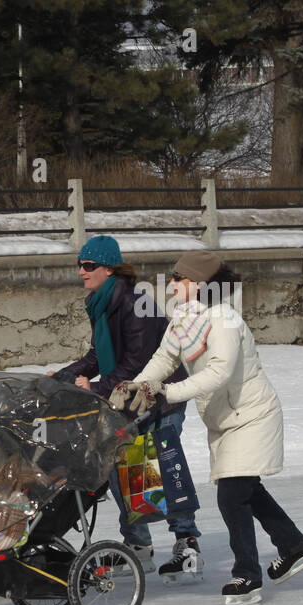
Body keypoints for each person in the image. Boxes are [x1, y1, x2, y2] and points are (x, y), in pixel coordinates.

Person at [117, 250, 303, 605]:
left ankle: (247, 575)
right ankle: (293, 545)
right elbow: (165, 358)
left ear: (197, 284)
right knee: (246, 489)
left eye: (178, 278)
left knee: (232, 494)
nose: (172, 284)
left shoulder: (224, 320)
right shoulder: (183, 318)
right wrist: (140, 384)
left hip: (252, 415)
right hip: (226, 420)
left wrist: (168, 392)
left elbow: (219, 372)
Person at [53, 234, 202, 576]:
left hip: (160, 399)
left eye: (88, 266)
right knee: (127, 471)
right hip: (127, 400)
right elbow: (97, 355)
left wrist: (94, 386)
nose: (81, 272)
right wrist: (63, 376)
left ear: (108, 268)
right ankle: (139, 546)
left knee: (163, 471)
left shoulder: (138, 303)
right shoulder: (101, 303)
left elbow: (138, 363)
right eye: (79, 265)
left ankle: (187, 544)